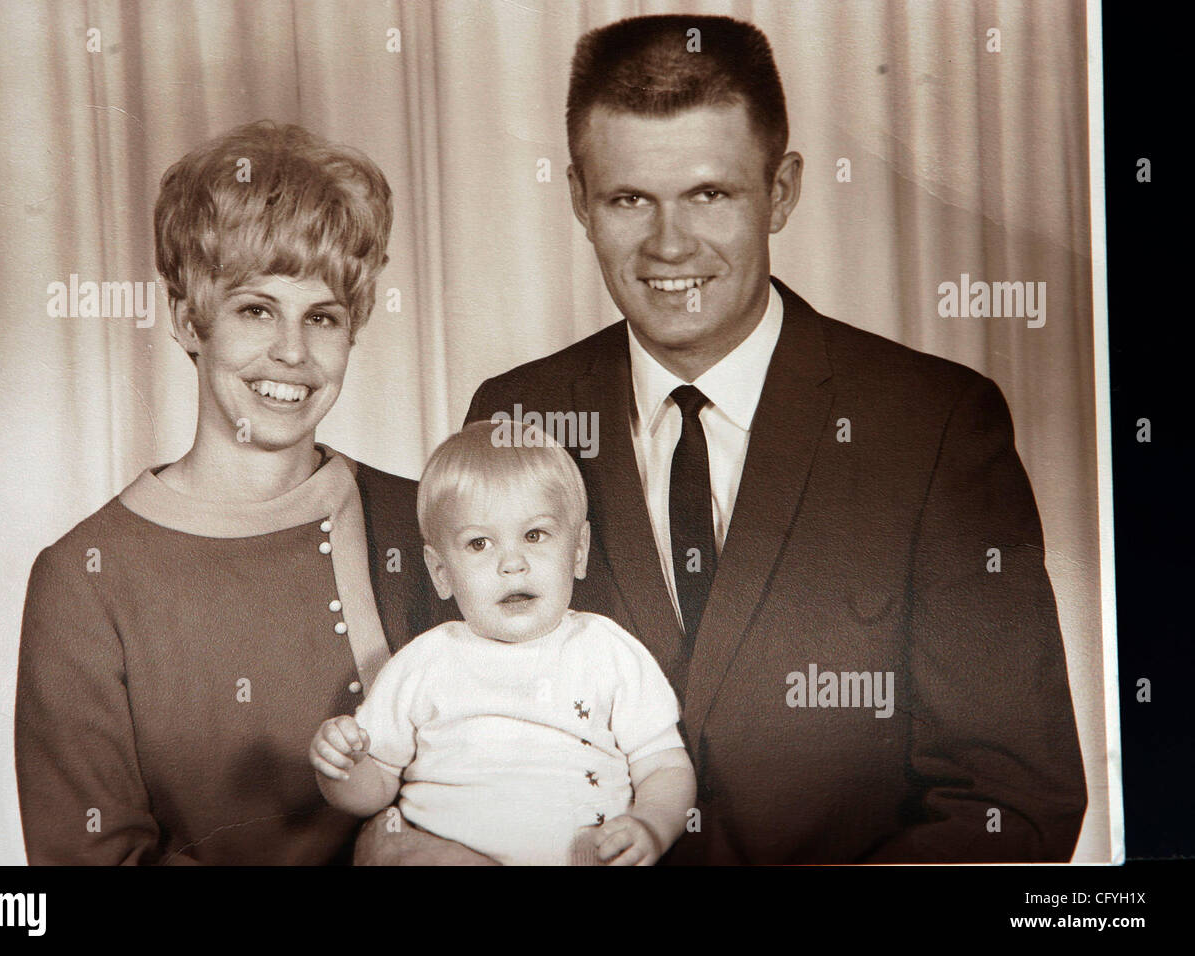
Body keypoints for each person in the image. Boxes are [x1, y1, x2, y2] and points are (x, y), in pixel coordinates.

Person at [442, 14, 1086, 863]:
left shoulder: (933, 425)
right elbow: (457, 727)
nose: (670, 245)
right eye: (630, 198)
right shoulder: (518, 415)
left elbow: (1012, 800)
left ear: (781, 191)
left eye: (711, 194)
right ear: (578, 202)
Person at [15, 121, 444, 864]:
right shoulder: (85, 579)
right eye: (255, 309)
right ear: (189, 320)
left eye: (323, 317)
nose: (292, 352)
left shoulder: (426, 522)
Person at [309, 421, 696, 865]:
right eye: (479, 543)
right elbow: (373, 791)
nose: (512, 563)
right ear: (440, 572)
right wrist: (342, 767)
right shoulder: (425, 662)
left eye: (534, 535)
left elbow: (664, 765)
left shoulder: (605, 648)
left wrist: (651, 825)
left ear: (579, 550)